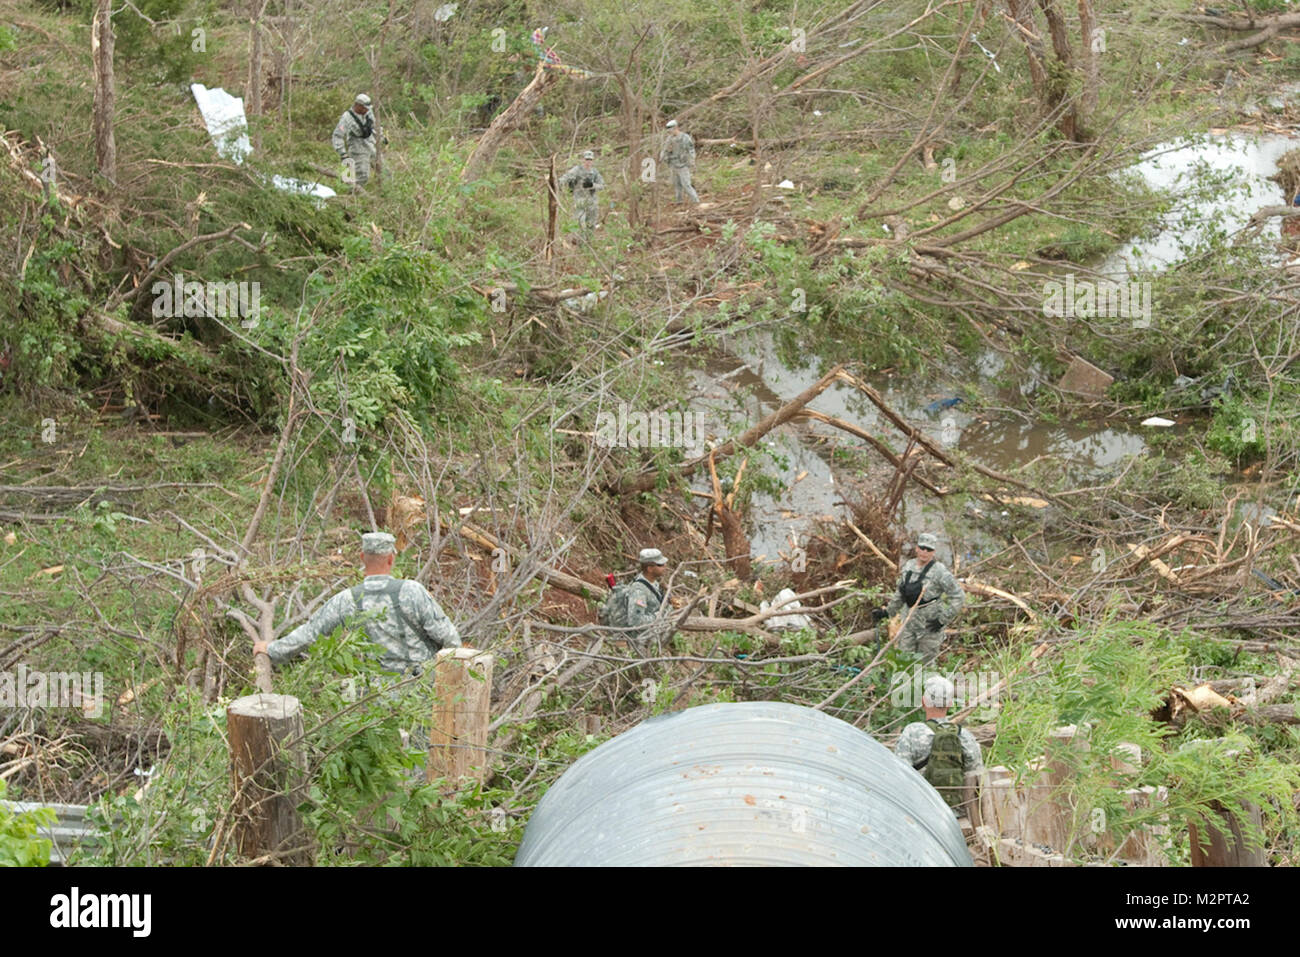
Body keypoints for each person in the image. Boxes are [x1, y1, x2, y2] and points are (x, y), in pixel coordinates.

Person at [255, 531, 461, 675]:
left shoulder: (346, 600)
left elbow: (309, 634)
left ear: (362, 557)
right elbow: (450, 639)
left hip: (375, 699)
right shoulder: (413, 591)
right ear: (391, 559)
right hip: (421, 695)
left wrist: (271, 649)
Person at [894, 675, 983, 811]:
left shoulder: (912, 732)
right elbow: (976, 776)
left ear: (924, 702)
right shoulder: (964, 736)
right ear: (950, 704)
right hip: (955, 814)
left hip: (921, 813)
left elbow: (901, 774)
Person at [871, 532, 964, 663]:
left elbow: (958, 596)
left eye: (929, 549)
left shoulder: (940, 571)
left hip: (929, 627)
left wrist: (942, 620)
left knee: (925, 665)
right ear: (916, 548)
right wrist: (887, 612)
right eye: (922, 548)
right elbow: (900, 593)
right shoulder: (908, 566)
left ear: (933, 552)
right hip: (908, 624)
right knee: (904, 661)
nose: (924, 552)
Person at [332, 93, 379, 188]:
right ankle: (353, 197)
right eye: (364, 108)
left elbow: (375, 125)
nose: (367, 110)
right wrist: (343, 154)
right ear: (358, 105)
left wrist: (382, 137)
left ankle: (384, 194)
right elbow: (337, 136)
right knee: (362, 176)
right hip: (357, 149)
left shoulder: (368, 112)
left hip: (371, 145)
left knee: (385, 171)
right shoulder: (346, 117)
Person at [557, 150, 605, 231]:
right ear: (583, 160)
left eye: (590, 160)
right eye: (587, 159)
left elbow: (602, 185)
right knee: (580, 222)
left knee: (591, 224)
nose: (588, 162)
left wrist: (592, 185)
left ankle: (589, 241)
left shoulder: (595, 173)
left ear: (593, 161)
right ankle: (579, 241)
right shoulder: (577, 170)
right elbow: (567, 176)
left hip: (592, 201)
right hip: (580, 200)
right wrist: (559, 182)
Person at [625, 548, 668, 635]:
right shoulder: (638, 591)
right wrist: (659, 616)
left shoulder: (654, 583)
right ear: (650, 569)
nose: (665, 566)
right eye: (660, 565)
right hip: (642, 641)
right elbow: (636, 621)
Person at [659, 120, 699, 204]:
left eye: (671, 129)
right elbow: (665, 149)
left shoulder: (685, 138)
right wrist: (662, 158)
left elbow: (691, 150)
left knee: (686, 184)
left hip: (683, 164)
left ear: (676, 128)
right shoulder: (669, 139)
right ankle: (679, 201)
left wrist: (692, 161)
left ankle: (696, 201)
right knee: (677, 185)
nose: (670, 132)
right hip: (673, 164)